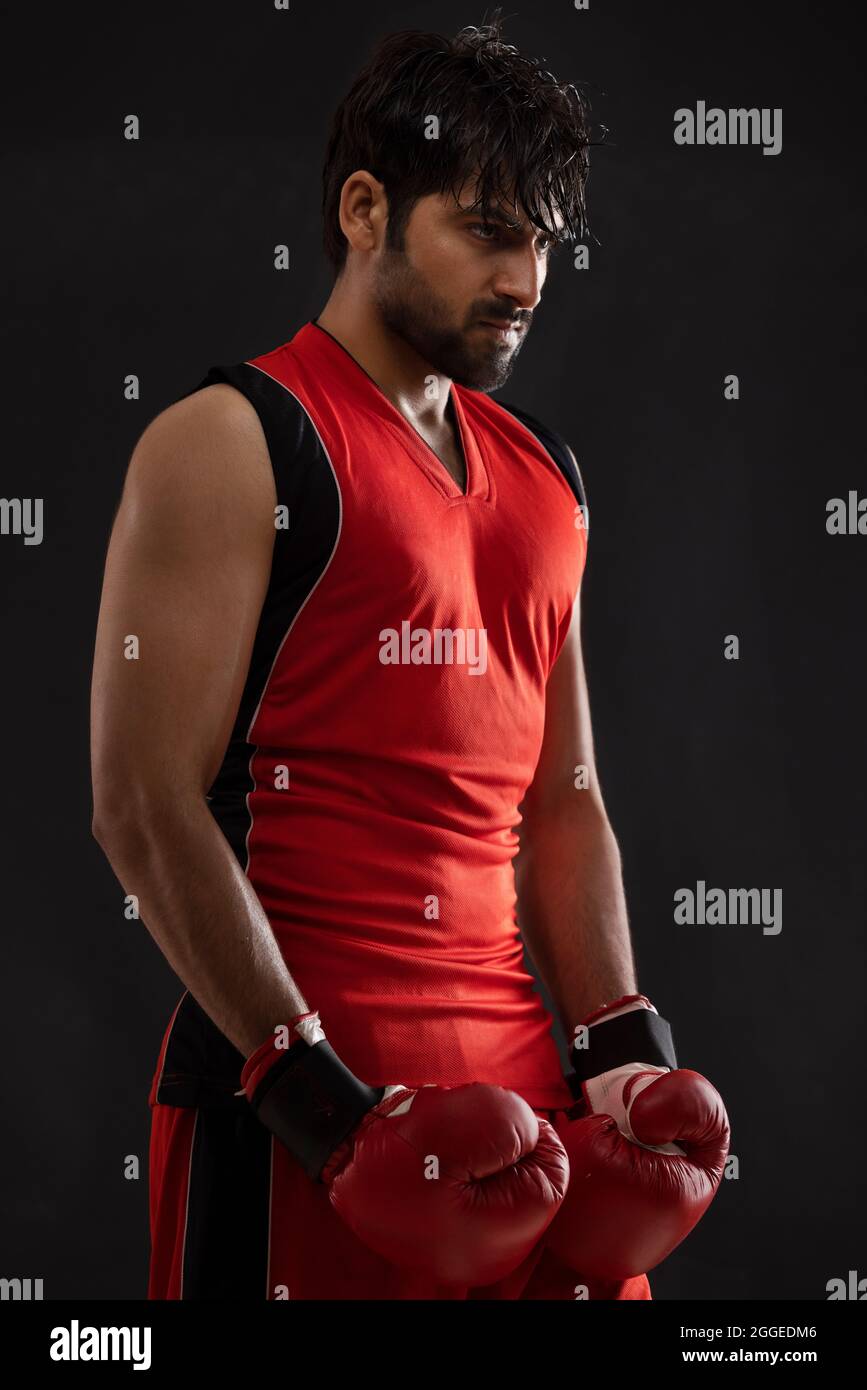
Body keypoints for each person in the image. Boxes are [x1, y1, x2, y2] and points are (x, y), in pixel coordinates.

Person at [91, 16, 728, 1302]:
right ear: (368, 208)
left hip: (527, 1129)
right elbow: (144, 806)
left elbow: (563, 795)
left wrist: (618, 1053)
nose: (528, 279)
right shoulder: (232, 443)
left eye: (545, 240)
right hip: (300, 1106)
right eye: (490, 229)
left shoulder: (547, 476)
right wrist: (324, 1112)